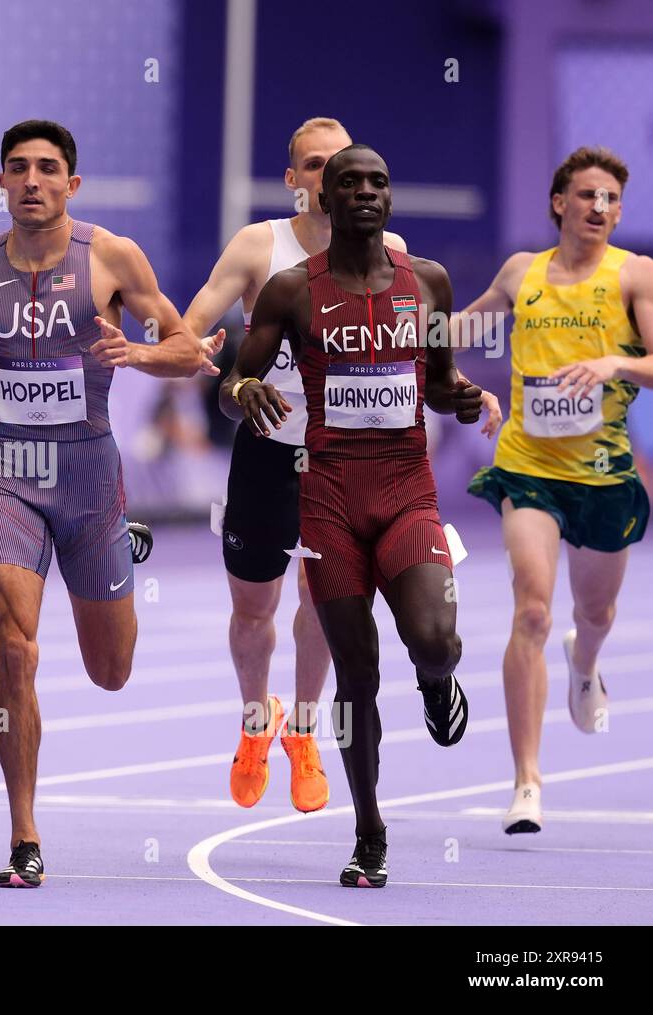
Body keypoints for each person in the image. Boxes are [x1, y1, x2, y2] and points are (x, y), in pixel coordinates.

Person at [0, 119, 218, 887]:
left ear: (71, 185)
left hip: (90, 478)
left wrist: (141, 352)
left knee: (110, 670)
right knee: (14, 645)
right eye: (16, 168)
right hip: (11, 473)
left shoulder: (112, 257)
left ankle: (123, 537)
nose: (30, 181)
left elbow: (190, 349)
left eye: (47, 169)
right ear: (1, 182)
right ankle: (24, 834)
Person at [223, 144, 484, 888]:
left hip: (407, 491)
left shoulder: (427, 283)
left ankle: (437, 682)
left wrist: (459, 397)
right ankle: (369, 827)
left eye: (378, 182)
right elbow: (235, 377)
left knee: (434, 639)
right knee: (357, 676)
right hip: (329, 499)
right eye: (348, 183)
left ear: (390, 201)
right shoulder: (289, 291)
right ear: (324, 201)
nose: (365, 192)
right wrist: (242, 393)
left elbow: (436, 384)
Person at [184, 116, 410, 815]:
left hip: (341, 460)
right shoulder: (260, 246)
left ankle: (303, 729)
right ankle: (258, 720)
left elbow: (418, 343)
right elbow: (194, 329)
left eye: (338, 165)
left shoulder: (391, 249)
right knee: (254, 612)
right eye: (312, 166)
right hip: (265, 453)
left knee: (321, 603)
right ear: (293, 180)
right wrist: (198, 358)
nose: (325, 178)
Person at [463, 146, 653, 834]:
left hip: (602, 478)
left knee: (592, 614)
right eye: (587, 196)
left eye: (611, 200)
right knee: (533, 611)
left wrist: (616, 360)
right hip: (528, 467)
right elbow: (463, 330)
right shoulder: (523, 272)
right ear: (558, 203)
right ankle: (527, 781)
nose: (599, 208)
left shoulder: (635, 274)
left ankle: (588, 660)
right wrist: (407, 329)